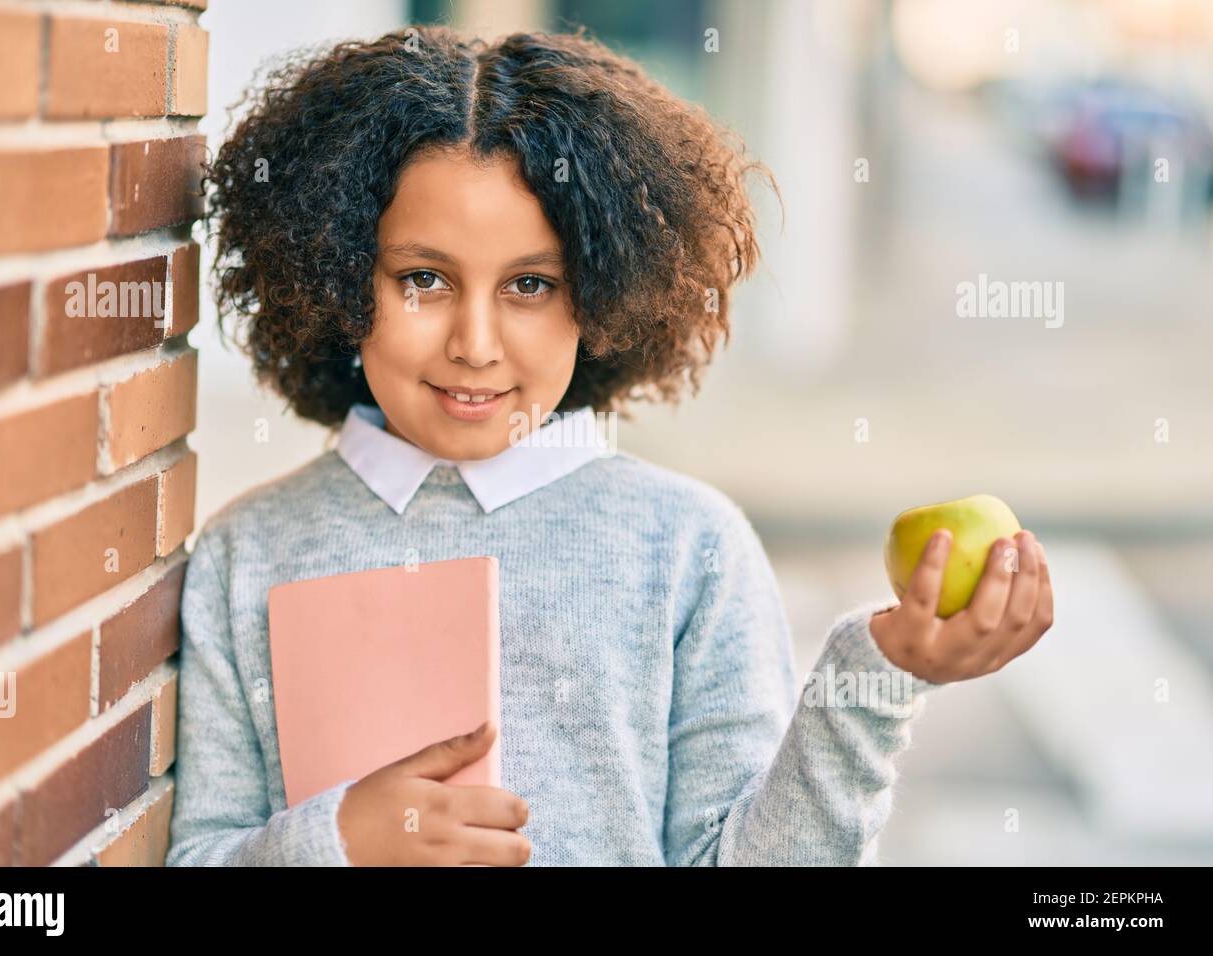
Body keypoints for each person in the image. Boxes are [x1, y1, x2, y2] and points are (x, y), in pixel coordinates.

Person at [165, 25, 1054, 867]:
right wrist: (340, 840)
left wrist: (879, 680)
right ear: (335, 271)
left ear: (601, 296)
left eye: (530, 284)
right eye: (423, 279)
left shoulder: (688, 546)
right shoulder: (248, 553)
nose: (475, 342)